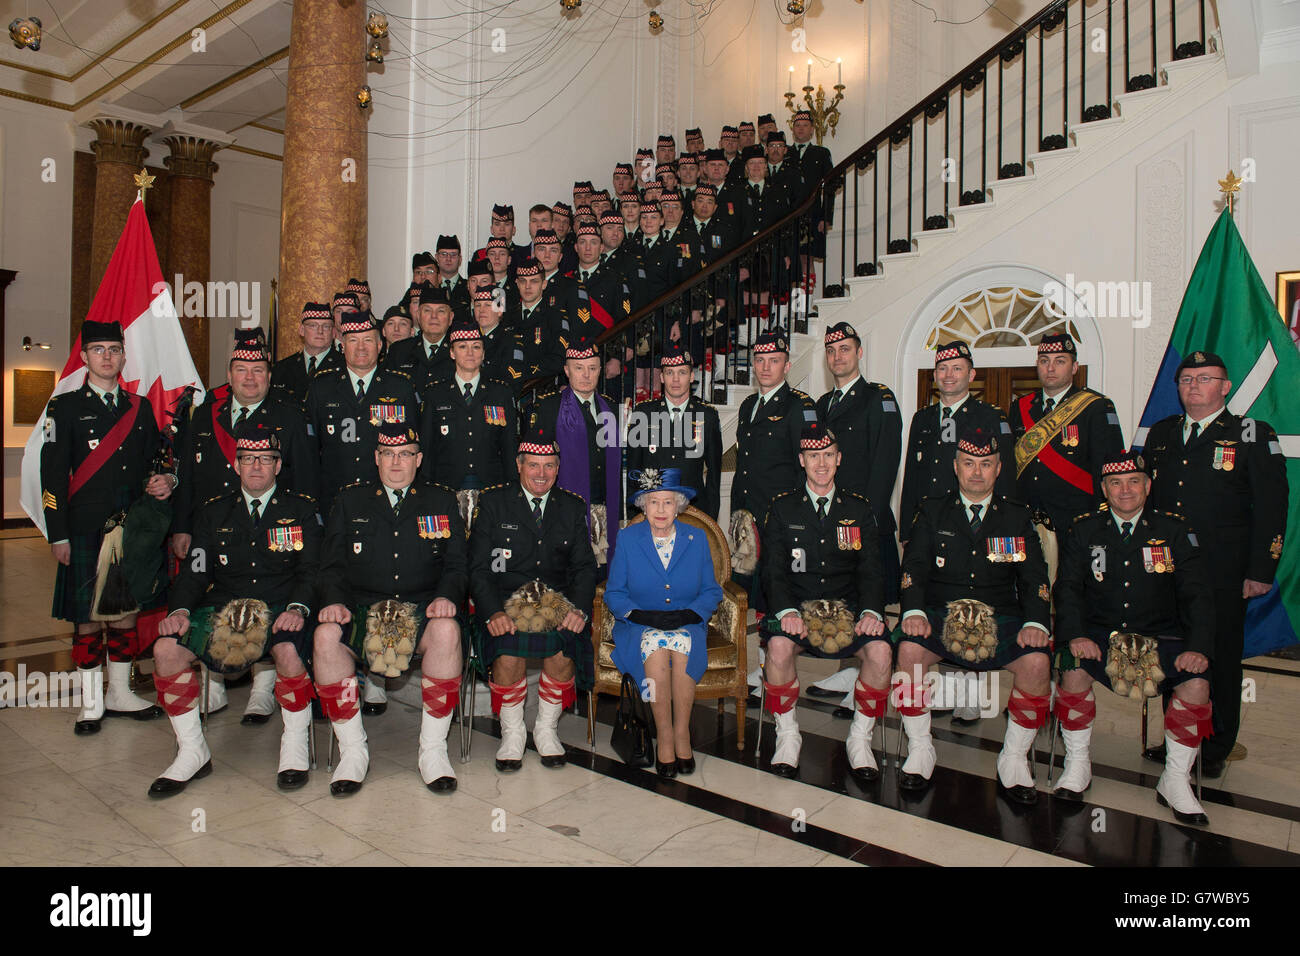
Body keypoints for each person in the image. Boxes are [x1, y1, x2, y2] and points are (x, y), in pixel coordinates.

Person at [148, 423, 320, 795]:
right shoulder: (213, 513)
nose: (256, 466)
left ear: (278, 465)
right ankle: (193, 750)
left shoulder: (301, 510)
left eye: (265, 459)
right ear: (236, 464)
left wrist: (297, 607)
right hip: (223, 607)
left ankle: (294, 745)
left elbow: (311, 571)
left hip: (279, 606)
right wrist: (178, 610)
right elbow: (195, 573)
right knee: (165, 650)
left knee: (289, 650)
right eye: (247, 459)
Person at [1142, 350, 1288, 777]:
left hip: (1223, 572)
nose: (1194, 387)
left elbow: (1272, 508)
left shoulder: (1251, 434)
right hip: (1169, 570)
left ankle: (1215, 745)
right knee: (1173, 654)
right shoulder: (1163, 434)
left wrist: (1261, 570)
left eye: (1205, 379)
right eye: (1186, 379)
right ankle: (1178, 737)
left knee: (1219, 656)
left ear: (1224, 387)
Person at [1052, 451, 1215, 824]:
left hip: (1162, 636)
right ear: (1104, 489)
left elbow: (1198, 595)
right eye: (1116, 483)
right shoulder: (1084, 528)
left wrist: (1198, 647)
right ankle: (1078, 764)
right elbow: (1069, 589)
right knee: (1073, 668)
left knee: (1196, 683)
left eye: (1134, 482)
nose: (1125, 490)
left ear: (1147, 486)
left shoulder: (1175, 530)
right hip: (1099, 634)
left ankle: (1175, 779)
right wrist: (1075, 634)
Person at [894, 424, 1052, 804]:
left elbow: (1034, 579)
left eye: (986, 464)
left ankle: (1014, 758)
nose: (977, 472)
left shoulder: (1016, 517)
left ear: (999, 469)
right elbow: (913, 567)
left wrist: (1035, 622)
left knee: (1036, 662)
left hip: (1000, 617)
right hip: (939, 613)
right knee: (909, 650)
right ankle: (920, 748)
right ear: (956, 466)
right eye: (969, 463)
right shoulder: (933, 511)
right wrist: (913, 609)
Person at [314, 422, 468, 795]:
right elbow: (331, 564)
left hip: (421, 608)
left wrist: (447, 596)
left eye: (404, 455)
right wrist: (334, 601)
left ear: (418, 459)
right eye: (387, 454)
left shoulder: (441, 500)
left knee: (448, 630)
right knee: (325, 637)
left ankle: (432, 750)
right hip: (365, 608)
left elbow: (457, 564)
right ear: (376, 458)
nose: (395, 462)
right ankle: (353, 750)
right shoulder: (351, 500)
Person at [173, 328, 317, 723]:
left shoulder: (289, 415)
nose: (250, 377)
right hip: (215, 529)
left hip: (274, 530)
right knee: (218, 599)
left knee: (267, 599)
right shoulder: (206, 415)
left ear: (269, 376)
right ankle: (214, 686)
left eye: (258, 369)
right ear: (229, 373)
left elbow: (304, 479)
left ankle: (262, 689)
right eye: (241, 369)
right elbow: (187, 475)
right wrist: (182, 526)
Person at [40, 318, 173, 735]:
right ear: (84, 357)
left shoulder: (139, 407)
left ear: (123, 356)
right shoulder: (64, 407)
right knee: (86, 619)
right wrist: (58, 533)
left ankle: (120, 692)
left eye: (114, 350)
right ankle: (91, 702)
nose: (107, 357)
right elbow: (52, 478)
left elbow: (158, 458)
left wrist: (167, 479)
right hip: (82, 529)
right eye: (98, 350)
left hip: (130, 529)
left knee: (125, 613)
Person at [759, 421, 888, 779]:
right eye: (814, 455)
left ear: (839, 458)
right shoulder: (783, 509)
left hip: (848, 613)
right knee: (780, 650)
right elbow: (773, 570)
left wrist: (871, 611)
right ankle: (787, 734)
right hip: (797, 609)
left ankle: (860, 738)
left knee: (881, 653)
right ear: (802, 460)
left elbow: (872, 570)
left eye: (828, 455)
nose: (821, 463)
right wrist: (785, 610)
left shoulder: (859, 510)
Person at [469, 428, 597, 771]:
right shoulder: (493, 502)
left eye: (550, 466)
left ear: (558, 468)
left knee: (563, 647)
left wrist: (579, 609)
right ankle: (512, 733)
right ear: (519, 465)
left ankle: (545, 729)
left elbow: (585, 567)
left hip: (554, 601)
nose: (542, 473)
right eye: (534, 465)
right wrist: (492, 612)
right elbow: (478, 569)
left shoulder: (571, 506)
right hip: (505, 601)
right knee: (509, 649)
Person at [806, 322, 904, 706]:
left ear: (859, 353)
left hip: (865, 519)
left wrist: (873, 517)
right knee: (842, 595)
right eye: (832, 351)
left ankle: (869, 677)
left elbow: (886, 461)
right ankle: (849, 669)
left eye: (845, 349)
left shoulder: (878, 398)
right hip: (832, 518)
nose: (838, 357)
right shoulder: (823, 404)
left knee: (870, 601)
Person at [605, 469, 723, 777]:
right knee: (656, 652)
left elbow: (711, 590)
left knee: (682, 646)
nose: (660, 510)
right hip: (640, 625)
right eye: (653, 502)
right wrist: (642, 616)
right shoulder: (629, 539)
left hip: (686, 621)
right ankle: (665, 736)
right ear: (643, 506)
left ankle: (682, 732)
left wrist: (690, 615)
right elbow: (614, 593)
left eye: (668, 502)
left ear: (678, 506)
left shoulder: (696, 539)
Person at [1011, 334, 1124, 567]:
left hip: (1075, 520)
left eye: (1060, 361)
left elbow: (1108, 467)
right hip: (1026, 520)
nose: (1050, 368)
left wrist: (1101, 517)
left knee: (1070, 592)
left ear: (1074, 367)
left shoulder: (1096, 406)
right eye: (1044, 360)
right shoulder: (1020, 407)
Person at [730, 330, 816, 611]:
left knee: (775, 597)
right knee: (743, 592)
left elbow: (805, 467)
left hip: (777, 516)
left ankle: (773, 653)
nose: (766, 367)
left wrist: (799, 516)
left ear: (787, 366)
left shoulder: (799, 407)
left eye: (774, 360)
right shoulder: (747, 406)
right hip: (745, 514)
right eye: (760, 360)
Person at [305, 310, 419, 516]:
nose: (360, 348)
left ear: (379, 345)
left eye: (368, 340)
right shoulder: (322, 387)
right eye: (353, 340)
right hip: (334, 499)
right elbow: (309, 451)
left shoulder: (400, 387)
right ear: (342, 346)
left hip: (385, 499)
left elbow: (414, 445)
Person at [900, 341, 1014, 537]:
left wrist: (1002, 528)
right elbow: (911, 478)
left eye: (957, 368)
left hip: (969, 526)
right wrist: (907, 532)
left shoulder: (990, 417)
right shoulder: (922, 418)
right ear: (935, 375)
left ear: (971, 375)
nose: (948, 375)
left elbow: (1006, 478)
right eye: (942, 369)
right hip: (926, 525)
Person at [529, 344, 622, 569]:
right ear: (567, 370)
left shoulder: (610, 407)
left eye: (592, 368)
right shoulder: (550, 406)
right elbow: (535, 463)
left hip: (605, 508)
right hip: (565, 511)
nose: (586, 375)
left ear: (600, 370)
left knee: (603, 576)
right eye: (579, 368)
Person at [420, 317, 518, 496]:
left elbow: (509, 446)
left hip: (492, 486)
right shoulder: (435, 394)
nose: (470, 353)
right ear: (452, 352)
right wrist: (426, 490)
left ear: (483, 353)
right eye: (462, 346)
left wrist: (512, 486)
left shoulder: (501, 393)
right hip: (446, 486)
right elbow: (427, 448)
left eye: (476, 346)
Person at [625, 342, 722, 520]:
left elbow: (714, 479)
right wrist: (635, 518)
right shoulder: (643, 413)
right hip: (652, 514)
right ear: (661, 377)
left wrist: (710, 521)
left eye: (682, 372)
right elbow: (634, 471)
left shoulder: (708, 416)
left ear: (692, 376)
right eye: (669, 372)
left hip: (693, 513)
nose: (675, 380)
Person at [382, 283, 453, 395]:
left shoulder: (460, 351)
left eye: (441, 311)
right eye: (427, 310)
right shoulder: (399, 351)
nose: (433, 316)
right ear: (418, 316)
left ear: (451, 318)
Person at [271, 302, 343, 410]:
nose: (320, 331)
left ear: (333, 333)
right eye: (313, 326)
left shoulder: (345, 366)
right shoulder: (282, 368)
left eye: (326, 326)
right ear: (301, 330)